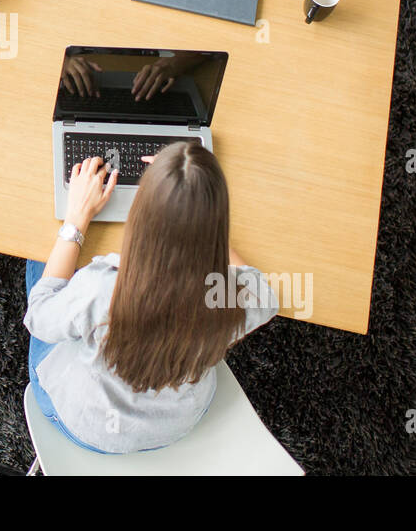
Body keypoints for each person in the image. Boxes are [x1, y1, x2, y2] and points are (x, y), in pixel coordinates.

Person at [24, 141, 279, 454]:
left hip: (87, 425)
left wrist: (75, 220)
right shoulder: (228, 295)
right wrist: (195, 205)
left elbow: (39, 317)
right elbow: (265, 296)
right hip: (177, 424)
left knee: (39, 253)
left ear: (142, 211)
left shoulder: (102, 287)